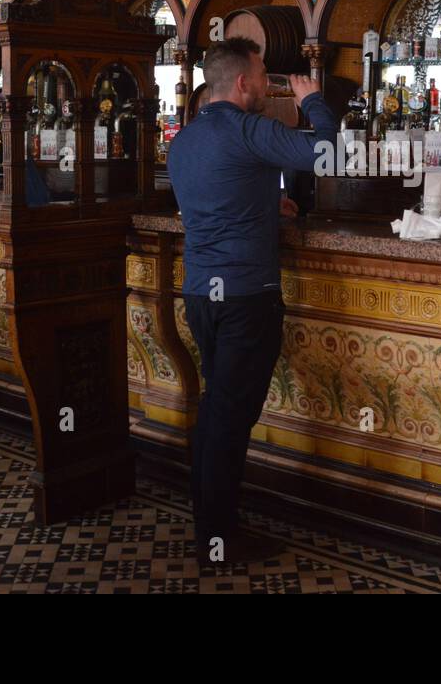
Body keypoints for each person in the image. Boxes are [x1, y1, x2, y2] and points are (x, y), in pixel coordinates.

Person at [167, 37, 337, 566]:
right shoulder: (252, 129)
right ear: (243, 83)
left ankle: (213, 527)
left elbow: (220, 196)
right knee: (228, 418)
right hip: (246, 296)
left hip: (201, 293)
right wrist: (312, 101)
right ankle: (218, 539)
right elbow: (330, 155)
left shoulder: (184, 140)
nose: (267, 84)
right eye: (262, 75)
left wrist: (267, 202)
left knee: (219, 410)